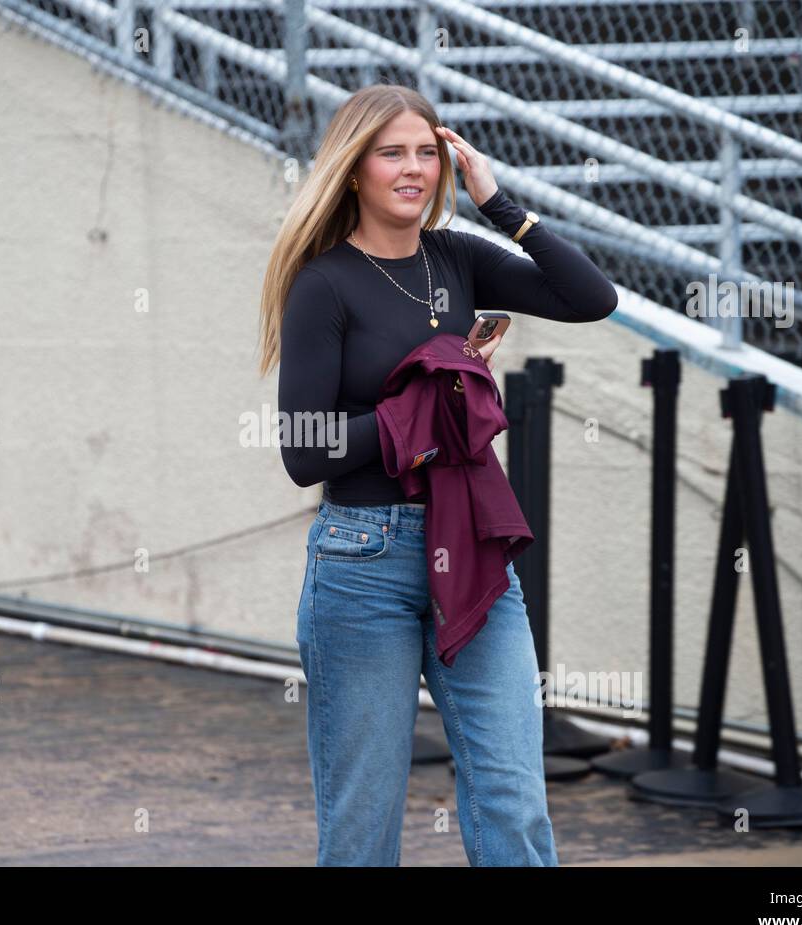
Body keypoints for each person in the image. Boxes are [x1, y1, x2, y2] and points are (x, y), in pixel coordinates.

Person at [256, 84, 618, 866]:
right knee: (364, 823)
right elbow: (304, 451)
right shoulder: (323, 283)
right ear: (354, 170)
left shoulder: (455, 257)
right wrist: (432, 396)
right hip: (363, 560)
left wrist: (502, 203)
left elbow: (590, 298)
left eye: (427, 151)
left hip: (472, 547)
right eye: (392, 153)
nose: (413, 169)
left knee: (514, 800)